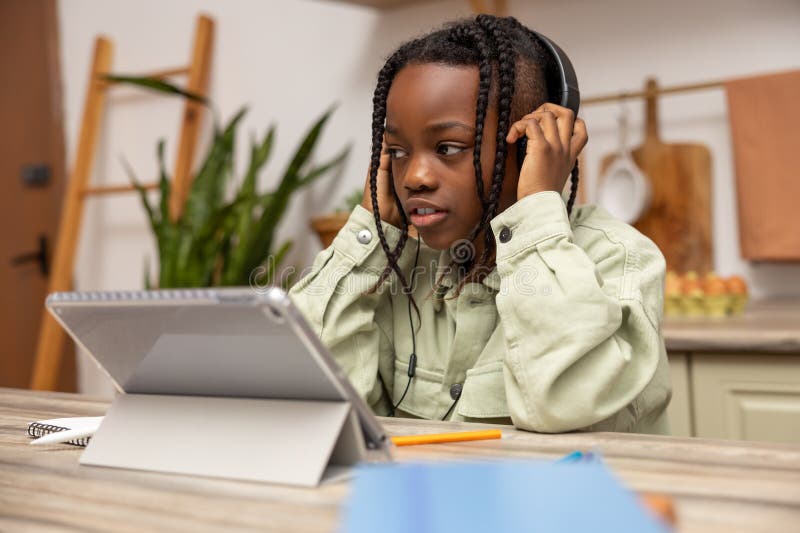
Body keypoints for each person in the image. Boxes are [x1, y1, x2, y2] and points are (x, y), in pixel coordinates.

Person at [289, 14, 671, 434]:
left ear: (527, 148)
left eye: (448, 147)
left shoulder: (618, 258)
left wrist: (536, 207)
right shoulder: (398, 273)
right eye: (397, 151)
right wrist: (368, 229)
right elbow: (313, 404)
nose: (414, 176)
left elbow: (564, 405)